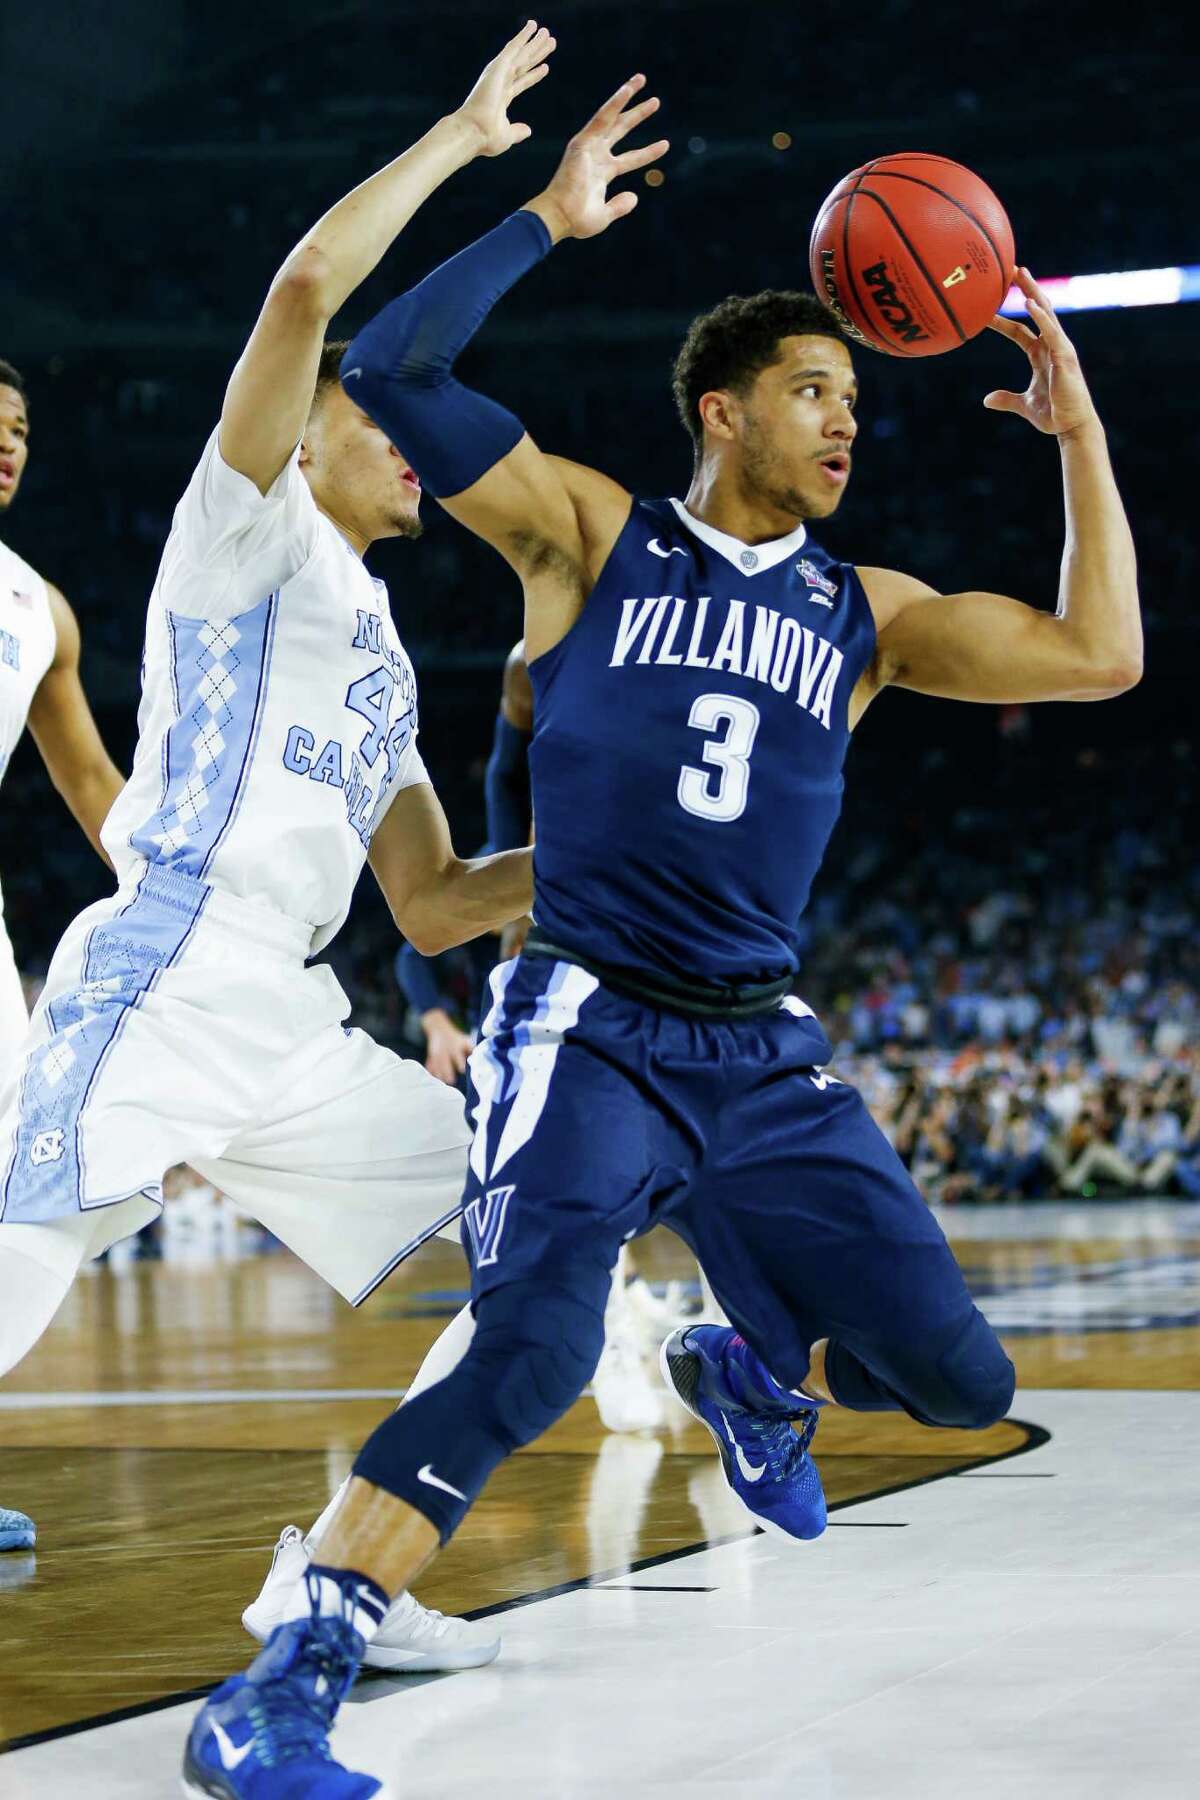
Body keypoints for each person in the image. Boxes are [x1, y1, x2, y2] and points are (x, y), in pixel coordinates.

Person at [186, 26, 1141, 1795]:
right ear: (722, 408)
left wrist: (1083, 440)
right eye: (814, 391)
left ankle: (761, 1369)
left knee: (956, 1379)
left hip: (764, 1048)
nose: (848, 417)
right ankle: (290, 1675)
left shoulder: (875, 616)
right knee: (535, 1341)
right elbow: (388, 362)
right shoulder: (592, 539)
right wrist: (537, 213)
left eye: (859, 400)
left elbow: (1103, 656)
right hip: (593, 1020)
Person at [0, 31, 547, 1669]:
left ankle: (341, 1579)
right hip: (166, 970)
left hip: (293, 1026)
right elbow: (311, 285)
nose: (411, 440)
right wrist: (464, 140)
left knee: (534, 1231)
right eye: (378, 419)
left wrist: (615, 849)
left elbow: (439, 901)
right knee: (12, 1275)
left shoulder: (383, 660)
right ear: (306, 446)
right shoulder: (246, 535)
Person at [1, 355, 126, 1557]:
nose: (7, 441)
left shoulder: (38, 605)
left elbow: (94, 788)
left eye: (21, 426)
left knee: (10, 1194)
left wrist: (178, 884)